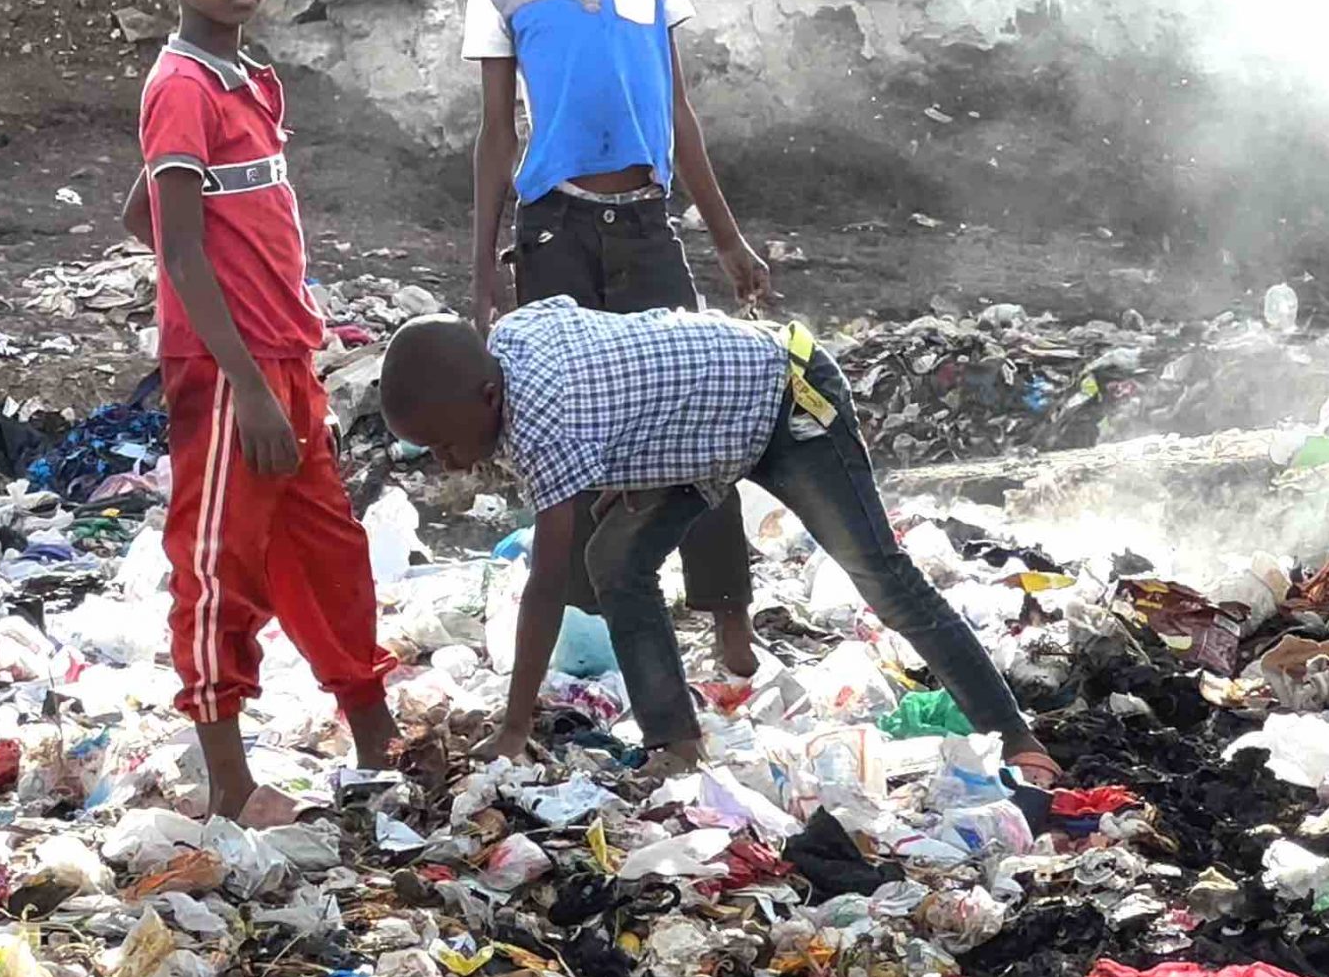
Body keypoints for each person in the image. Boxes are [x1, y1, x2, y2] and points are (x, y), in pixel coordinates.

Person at [377, 301, 1060, 785]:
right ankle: (675, 742)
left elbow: (546, 582)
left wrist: (515, 726)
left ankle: (1014, 735)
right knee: (614, 560)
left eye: (446, 443)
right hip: (704, 433)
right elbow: (614, 357)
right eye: (428, 450)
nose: (445, 462)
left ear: (488, 395)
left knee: (880, 574)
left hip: (788, 400)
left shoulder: (542, 418)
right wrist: (628, 464)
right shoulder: (512, 339)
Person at [462, 0, 770, 680]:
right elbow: (496, 138)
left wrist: (726, 240)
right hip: (554, 235)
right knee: (571, 438)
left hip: (645, 227)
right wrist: (482, 270)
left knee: (703, 410)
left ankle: (729, 618)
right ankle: (591, 624)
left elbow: (679, 114)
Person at [116, 0, 397, 821]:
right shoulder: (180, 85)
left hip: (285, 359)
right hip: (228, 373)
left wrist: (283, 328)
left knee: (329, 549)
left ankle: (377, 738)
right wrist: (242, 377)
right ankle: (229, 783)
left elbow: (147, 210)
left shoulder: (248, 77)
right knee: (219, 565)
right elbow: (178, 247)